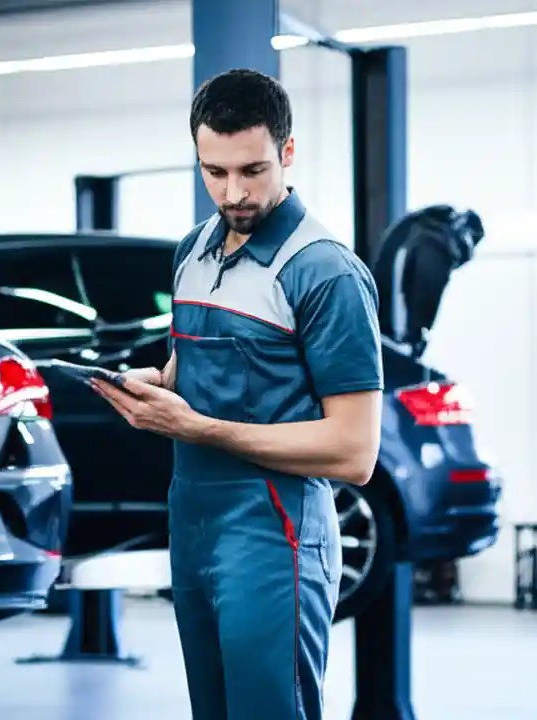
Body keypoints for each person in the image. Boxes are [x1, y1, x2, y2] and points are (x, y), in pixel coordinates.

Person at [89, 68, 384, 720]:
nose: (233, 192)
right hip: (193, 528)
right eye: (213, 172)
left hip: (275, 538)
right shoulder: (193, 252)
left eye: (251, 170)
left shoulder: (325, 271)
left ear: (287, 152)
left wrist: (199, 428)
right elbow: (191, 363)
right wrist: (155, 385)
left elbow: (354, 450)